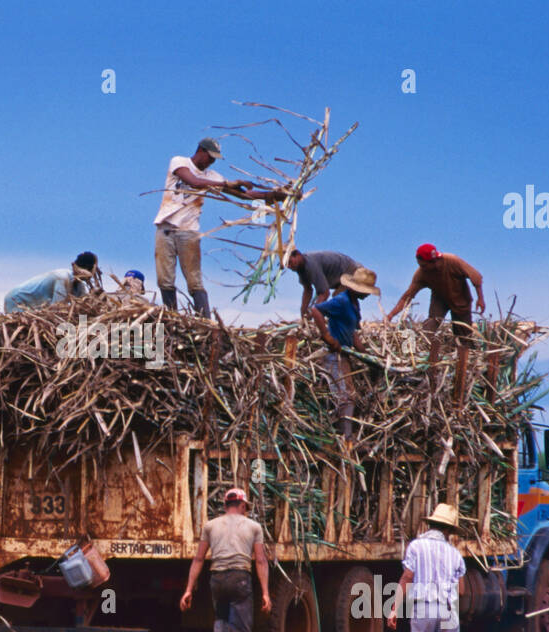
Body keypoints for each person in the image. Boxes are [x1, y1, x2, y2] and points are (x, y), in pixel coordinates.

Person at [153, 138, 288, 318]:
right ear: (200, 150)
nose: (211, 161)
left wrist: (272, 195)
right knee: (165, 279)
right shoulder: (179, 162)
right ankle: (171, 317)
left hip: (188, 231)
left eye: (214, 159)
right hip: (165, 228)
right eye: (210, 157)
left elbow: (244, 195)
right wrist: (226, 184)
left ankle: (205, 320)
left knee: (194, 281)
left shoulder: (213, 177)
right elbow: (194, 182)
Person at [179, 488, 272, 632]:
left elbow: (199, 558)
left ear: (225, 505)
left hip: (217, 578)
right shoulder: (254, 527)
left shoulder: (210, 526)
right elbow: (261, 561)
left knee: (221, 611)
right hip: (240, 578)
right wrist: (265, 593)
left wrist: (188, 589)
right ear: (242, 505)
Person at [384, 243, 485, 392]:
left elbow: (476, 277)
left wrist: (480, 299)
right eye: (420, 265)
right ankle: (426, 360)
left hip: (460, 298)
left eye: (424, 265)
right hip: (440, 298)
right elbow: (408, 296)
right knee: (429, 328)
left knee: (463, 335)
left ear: (433, 261)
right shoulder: (422, 274)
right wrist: (391, 315)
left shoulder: (452, 261)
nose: (422, 268)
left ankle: (466, 365)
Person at [385, 503, 466, 632]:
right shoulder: (455, 554)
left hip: (424, 607)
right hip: (448, 609)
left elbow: (407, 577)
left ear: (430, 525)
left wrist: (394, 609)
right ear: (448, 530)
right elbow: (461, 591)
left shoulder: (416, 547)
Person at [313, 266, 380, 440]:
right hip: (334, 355)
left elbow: (353, 333)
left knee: (347, 394)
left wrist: (367, 356)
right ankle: (346, 438)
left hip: (344, 355)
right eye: (365, 291)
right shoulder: (341, 301)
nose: (367, 295)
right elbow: (316, 310)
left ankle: (344, 435)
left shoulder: (354, 305)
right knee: (345, 396)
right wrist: (327, 336)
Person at [3, 252, 98, 313]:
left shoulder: (79, 286)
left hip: (34, 306)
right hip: (17, 299)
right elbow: (57, 308)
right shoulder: (62, 277)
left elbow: (84, 305)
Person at [284, 248, 362, 322]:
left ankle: (354, 323)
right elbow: (308, 290)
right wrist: (303, 313)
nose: (289, 267)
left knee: (340, 299)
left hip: (351, 271)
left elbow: (324, 293)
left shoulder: (311, 265)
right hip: (339, 278)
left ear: (297, 254)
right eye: (287, 265)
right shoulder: (300, 268)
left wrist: (313, 313)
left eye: (290, 262)